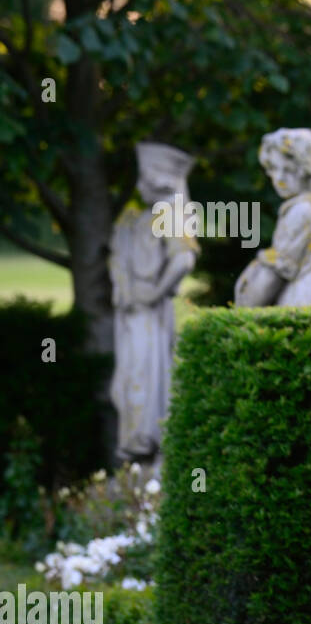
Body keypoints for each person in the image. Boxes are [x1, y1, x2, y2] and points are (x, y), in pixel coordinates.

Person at [108, 142, 198, 462]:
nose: (139, 185)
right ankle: (138, 463)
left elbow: (184, 260)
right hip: (132, 313)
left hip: (150, 314)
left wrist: (154, 291)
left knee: (147, 387)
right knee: (128, 385)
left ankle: (149, 456)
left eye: (146, 177)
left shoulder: (168, 215)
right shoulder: (137, 219)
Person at [234, 128, 311, 307]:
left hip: (307, 296)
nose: (279, 178)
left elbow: (279, 268)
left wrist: (247, 304)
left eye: (287, 170)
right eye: (274, 170)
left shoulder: (304, 210)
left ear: (307, 168)